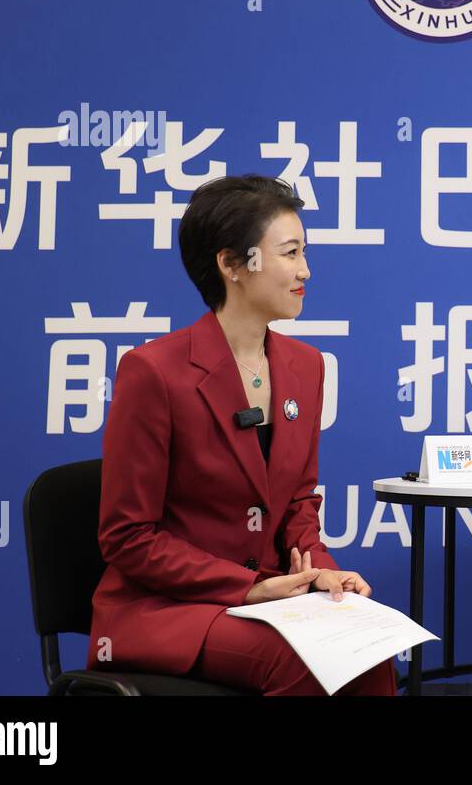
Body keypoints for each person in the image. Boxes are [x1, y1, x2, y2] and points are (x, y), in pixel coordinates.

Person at [87, 174, 398, 695]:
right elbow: (127, 538)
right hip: (169, 611)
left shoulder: (306, 366)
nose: (305, 270)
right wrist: (251, 588)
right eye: (290, 252)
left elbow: (299, 502)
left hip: (272, 599)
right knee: (303, 661)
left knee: (367, 654)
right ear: (232, 264)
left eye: (305, 251)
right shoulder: (154, 372)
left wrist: (321, 573)